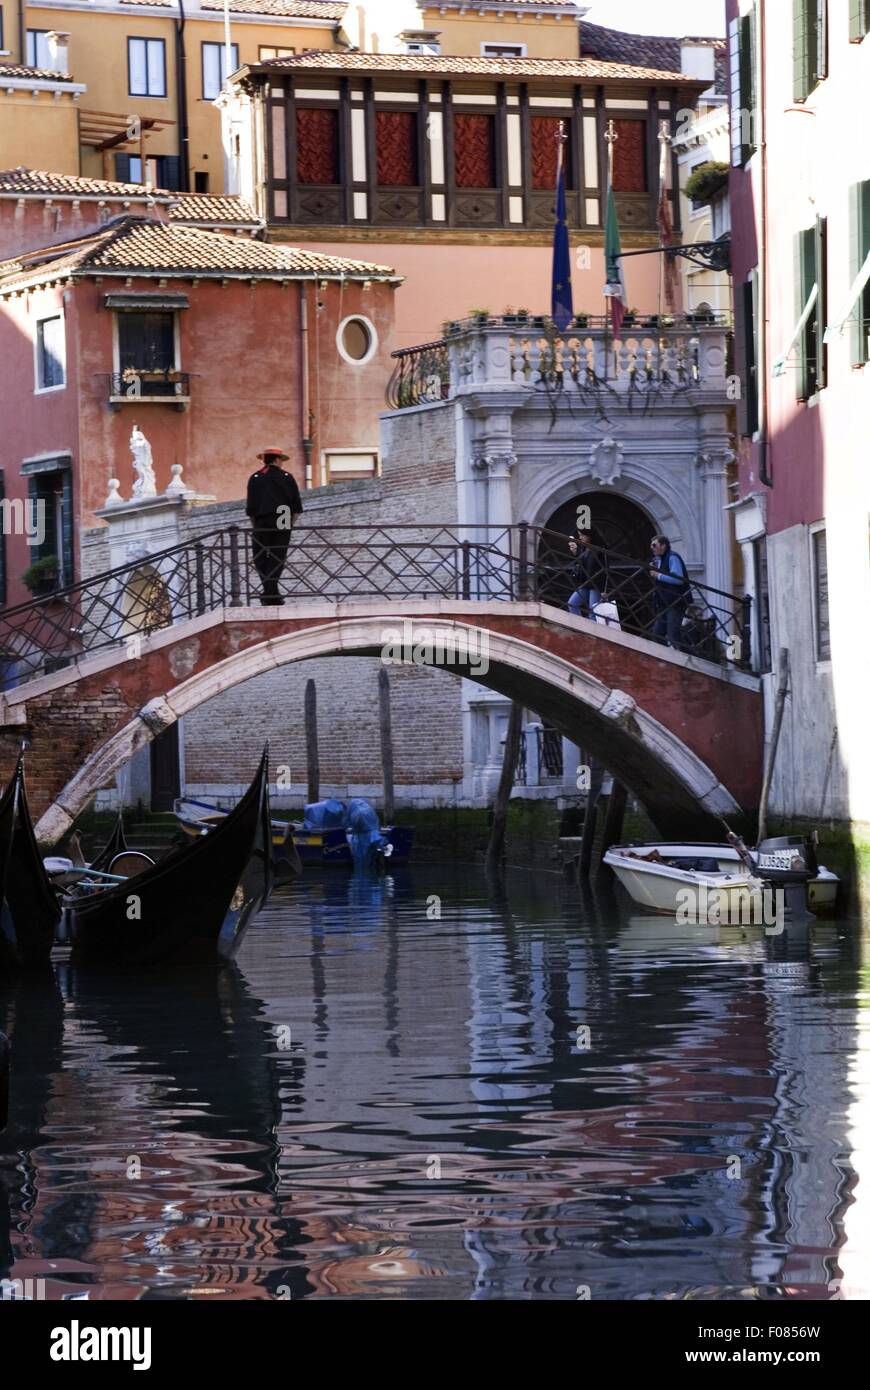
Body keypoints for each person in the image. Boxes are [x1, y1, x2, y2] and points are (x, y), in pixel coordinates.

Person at [245, 447, 303, 606]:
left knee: (260, 556)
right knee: (278, 555)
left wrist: (255, 524)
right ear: (277, 460)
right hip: (283, 516)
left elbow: (251, 508)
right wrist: (289, 524)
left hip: (262, 519)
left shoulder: (255, 478)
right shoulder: (287, 477)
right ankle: (272, 592)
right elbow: (296, 507)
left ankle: (270, 592)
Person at [649, 534, 691, 647]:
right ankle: (665, 659)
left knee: (673, 636)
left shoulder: (673, 557)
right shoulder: (660, 559)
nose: (652, 547)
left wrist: (658, 575)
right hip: (665, 602)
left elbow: (678, 579)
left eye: (654, 545)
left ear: (663, 545)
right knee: (657, 634)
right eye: (651, 545)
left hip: (676, 601)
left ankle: (692, 660)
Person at [567, 529, 609, 620]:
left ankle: (591, 633)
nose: (580, 537)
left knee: (593, 613)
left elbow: (605, 569)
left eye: (582, 535)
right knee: (572, 603)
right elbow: (582, 563)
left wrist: (604, 590)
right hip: (586, 583)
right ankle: (581, 628)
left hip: (596, 585)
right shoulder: (585, 547)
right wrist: (575, 551)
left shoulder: (601, 548)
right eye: (579, 535)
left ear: (589, 536)